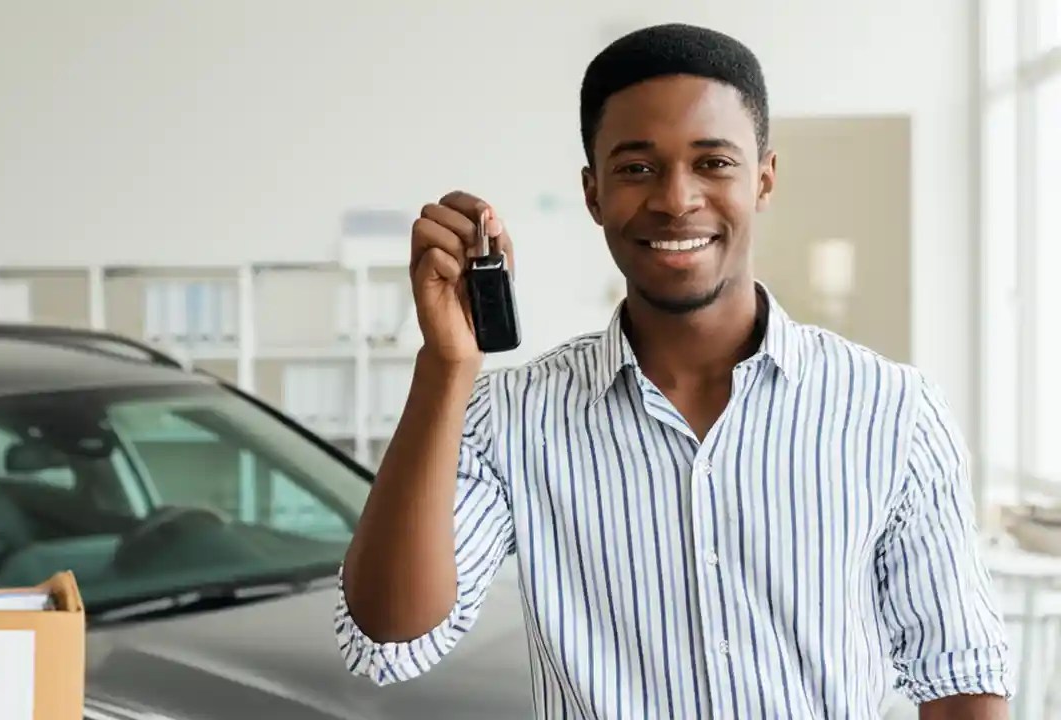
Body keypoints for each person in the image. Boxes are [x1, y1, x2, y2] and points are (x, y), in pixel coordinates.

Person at [334, 22, 1013, 720]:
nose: (676, 198)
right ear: (593, 193)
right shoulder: (512, 416)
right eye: (637, 167)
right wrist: (445, 365)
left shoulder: (891, 410)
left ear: (764, 179)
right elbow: (391, 634)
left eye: (713, 162)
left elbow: (959, 674)